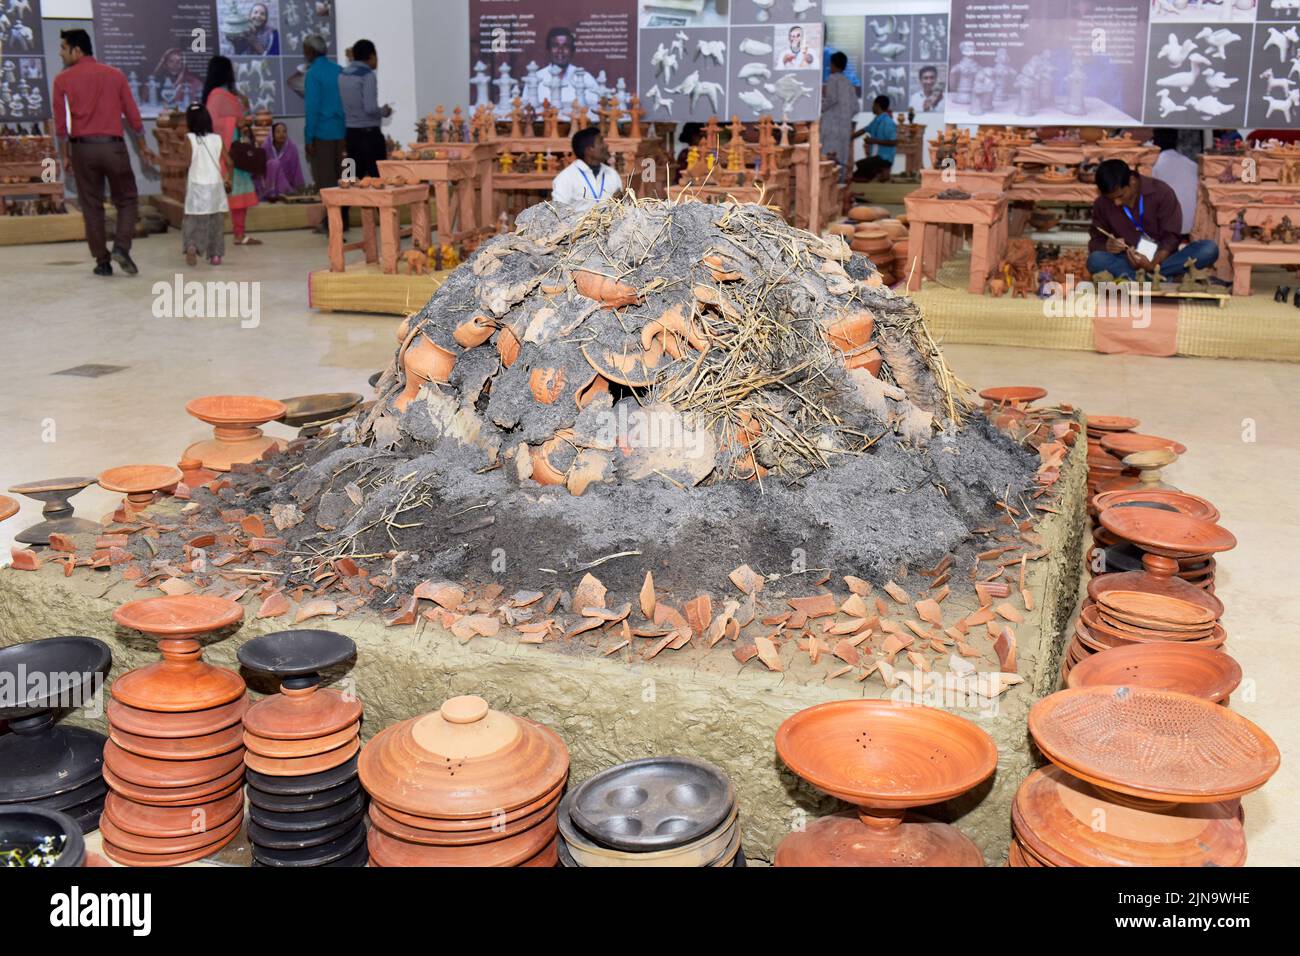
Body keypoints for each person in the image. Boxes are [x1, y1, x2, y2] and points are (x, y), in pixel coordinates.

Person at [52, 28, 156, 277]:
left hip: (82, 150)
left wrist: (65, 155)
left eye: (63, 48)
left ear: (77, 50)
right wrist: (142, 146)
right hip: (113, 148)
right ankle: (121, 246)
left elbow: (61, 126)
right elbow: (133, 115)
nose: (61, 53)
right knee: (128, 199)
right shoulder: (115, 75)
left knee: (91, 206)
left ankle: (102, 261)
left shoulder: (62, 80)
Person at [1086, 159, 1218, 280]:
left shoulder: (1162, 192)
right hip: (1127, 260)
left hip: (1163, 258)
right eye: (1111, 199)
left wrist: (1152, 264)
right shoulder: (1102, 204)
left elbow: (1171, 238)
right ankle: (1159, 278)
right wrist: (1107, 246)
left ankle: (1142, 277)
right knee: (1095, 260)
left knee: (1208, 249)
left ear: (1132, 181)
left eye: (1120, 196)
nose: (1116, 203)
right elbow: (1095, 242)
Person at [203, 56, 261, 245]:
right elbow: (216, 123)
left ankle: (234, 234)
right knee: (228, 194)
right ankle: (226, 235)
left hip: (228, 151)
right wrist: (236, 121)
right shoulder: (220, 96)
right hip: (226, 152)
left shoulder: (220, 95)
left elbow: (237, 120)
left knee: (233, 195)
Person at [181, 103, 228, 266]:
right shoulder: (217, 139)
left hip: (197, 185)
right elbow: (229, 161)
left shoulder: (190, 138)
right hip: (215, 185)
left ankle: (192, 246)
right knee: (216, 220)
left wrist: (161, 161)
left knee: (193, 219)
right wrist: (229, 178)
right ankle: (215, 255)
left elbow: (185, 162)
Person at [339, 39, 391, 180]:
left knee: (351, 178)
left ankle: (346, 202)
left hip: (350, 134)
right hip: (370, 136)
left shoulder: (343, 75)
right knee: (377, 179)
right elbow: (370, 108)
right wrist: (384, 111)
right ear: (371, 56)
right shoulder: (368, 76)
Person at [302, 34, 346, 199]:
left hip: (322, 136)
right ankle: (345, 218)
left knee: (326, 181)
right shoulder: (340, 70)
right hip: (344, 135)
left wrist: (309, 139)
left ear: (311, 51)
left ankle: (332, 221)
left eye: (305, 50)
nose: (305, 54)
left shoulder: (313, 74)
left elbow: (312, 109)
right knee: (348, 175)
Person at [552, 127, 622, 212]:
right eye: (601, 142)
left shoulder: (612, 174)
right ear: (589, 150)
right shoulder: (565, 178)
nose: (606, 145)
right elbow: (558, 213)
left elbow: (621, 207)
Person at [1150, 128, 1198, 237]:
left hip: (1167, 231)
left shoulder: (1155, 166)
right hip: (1190, 227)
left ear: (1154, 141)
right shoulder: (1192, 164)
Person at [821, 52, 856, 183]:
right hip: (844, 126)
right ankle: (840, 185)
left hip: (831, 126)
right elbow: (855, 107)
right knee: (841, 156)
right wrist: (845, 116)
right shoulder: (849, 83)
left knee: (828, 157)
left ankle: (827, 185)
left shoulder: (832, 79)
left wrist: (820, 108)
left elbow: (831, 98)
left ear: (832, 64)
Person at [853, 94, 896, 183]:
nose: (872, 107)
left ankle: (878, 177)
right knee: (858, 173)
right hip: (876, 156)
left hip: (884, 158)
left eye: (873, 105)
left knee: (860, 166)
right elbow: (864, 130)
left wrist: (874, 141)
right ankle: (877, 178)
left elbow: (894, 142)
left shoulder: (888, 122)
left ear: (877, 105)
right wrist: (848, 138)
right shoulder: (876, 120)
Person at [257, 122, 306, 200]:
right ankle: (272, 193)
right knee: (273, 163)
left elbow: (297, 170)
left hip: (287, 185)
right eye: (278, 132)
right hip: (268, 184)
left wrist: (300, 188)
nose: (281, 134)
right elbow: (260, 171)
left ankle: (287, 191)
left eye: (284, 131)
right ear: (272, 134)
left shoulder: (292, 148)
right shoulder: (265, 147)